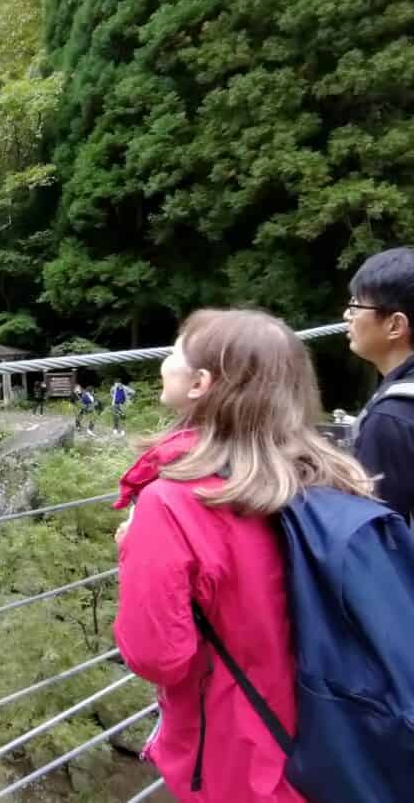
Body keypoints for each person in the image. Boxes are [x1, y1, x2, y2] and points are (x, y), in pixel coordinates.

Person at [113, 309, 373, 803]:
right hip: (341, 746)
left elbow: (157, 656)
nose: (164, 360)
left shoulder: (172, 504)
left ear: (200, 383)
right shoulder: (333, 477)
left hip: (242, 763)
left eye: (174, 351)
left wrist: (134, 554)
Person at [345, 247, 414, 519]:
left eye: (355, 306)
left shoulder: (392, 418)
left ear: (395, 325)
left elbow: (378, 536)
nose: (346, 316)